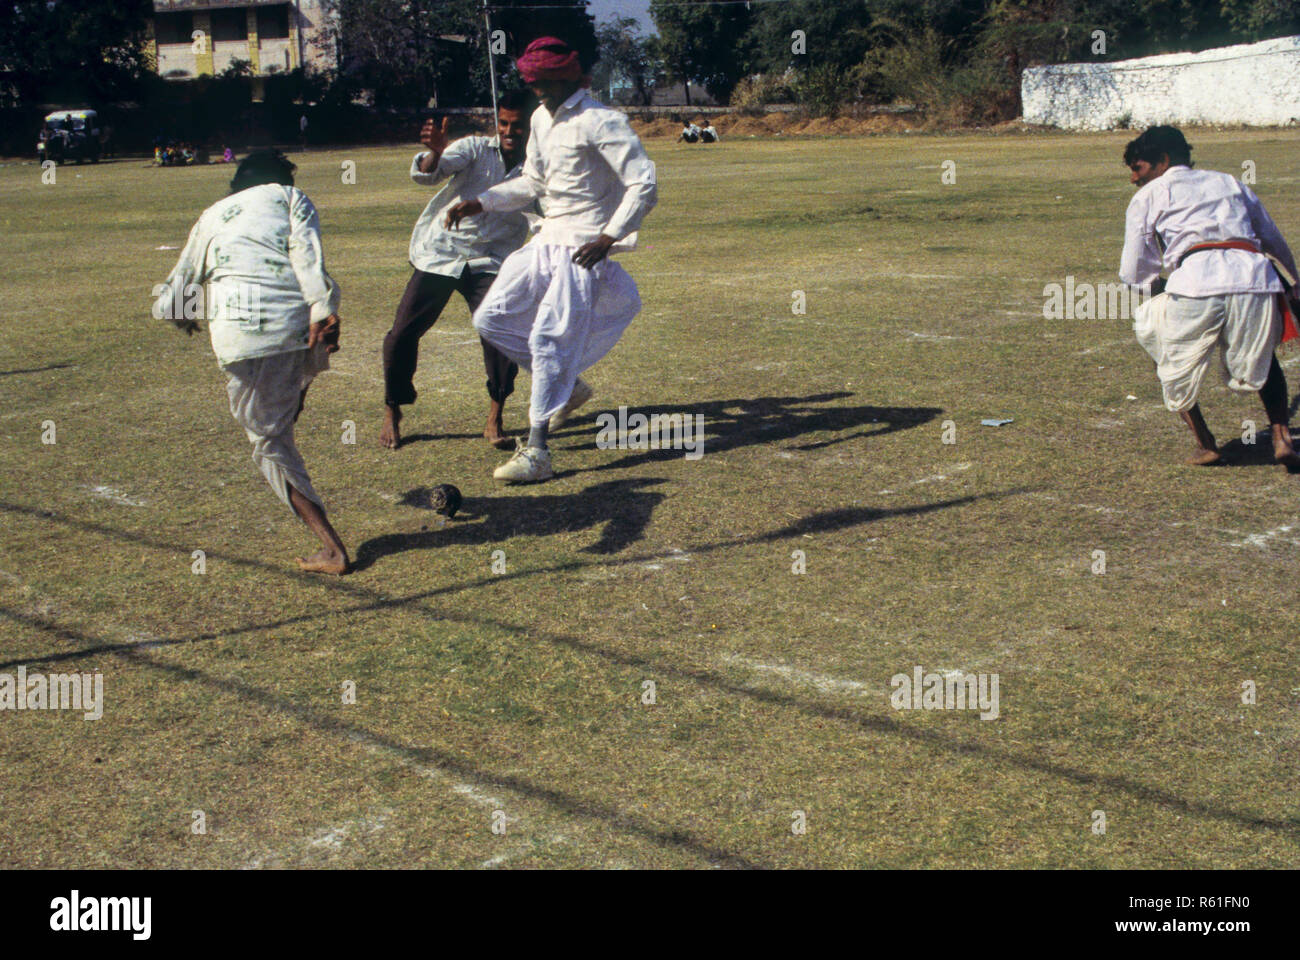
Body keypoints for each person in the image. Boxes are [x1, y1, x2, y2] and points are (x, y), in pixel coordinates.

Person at [445, 36, 657, 483]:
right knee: (491, 317)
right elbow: (533, 183)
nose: (536, 89)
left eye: (543, 81)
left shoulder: (603, 120)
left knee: (549, 338)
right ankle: (569, 384)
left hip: (582, 249)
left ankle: (537, 452)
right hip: (545, 239)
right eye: (531, 81)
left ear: (567, 76)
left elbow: (643, 183)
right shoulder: (541, 119)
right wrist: (479, 202)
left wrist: (608, 237)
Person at [152, 149, 350, 573]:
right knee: (288, 390)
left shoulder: (213, 214)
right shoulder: (290, 197)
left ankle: (332, 549)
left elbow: (179, 283)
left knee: (269, 444)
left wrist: (182, 317)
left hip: (243, 336)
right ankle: (291, 397)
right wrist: (321, 307)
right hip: (299, 326)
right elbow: (307, 253)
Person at [1121, 125, 1300, 467]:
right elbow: (1271, 236)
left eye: (1138, 167)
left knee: (1159, 343)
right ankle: (1281, 436)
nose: (1133, 178)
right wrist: (1294, 279)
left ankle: (1206, 443)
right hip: (1254, 279)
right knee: (1264, 357)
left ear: (1163, 160)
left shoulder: (1148, 195)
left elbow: (1133, 270)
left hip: (1195, 282)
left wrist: (1154, 286)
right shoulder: (1229, 182)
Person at [380, 91, 537, 451]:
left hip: (491, 259)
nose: (509, 131)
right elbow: (428, 175)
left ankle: (495, 414)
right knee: (401, 333)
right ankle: (393, 408)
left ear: (532, 125)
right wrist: (435, 152)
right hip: (442, 252)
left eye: (517, 125)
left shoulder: (537, 165)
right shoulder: (475, 148)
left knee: (498, 329)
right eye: (503, 123)